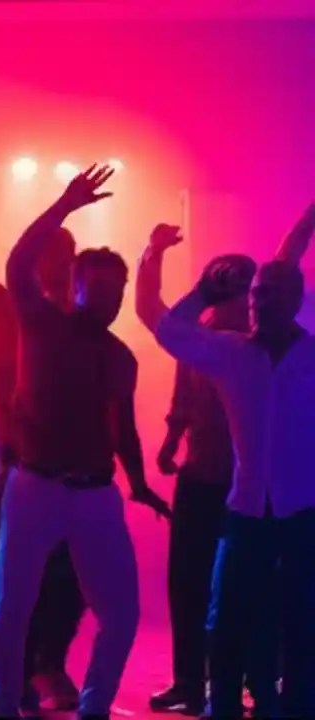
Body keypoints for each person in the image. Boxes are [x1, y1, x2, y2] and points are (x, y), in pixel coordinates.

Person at [0, 165, 172, 720]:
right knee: (11, 610)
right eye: (103, 288)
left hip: (94, 493)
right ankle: (3, 705)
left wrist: (139, 484)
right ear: (77, 284)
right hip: (35, 484)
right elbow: (18, 262)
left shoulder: (121, 357)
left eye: (119, 290)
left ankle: (92, 709)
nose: (113, 299)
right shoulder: (41, 322)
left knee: (122, 614)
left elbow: (124, 428)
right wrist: (63, 206)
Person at [145, 201, 315, 719]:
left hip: (303, 512)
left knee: (301, 622)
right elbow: (166, 327)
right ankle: (224, 706)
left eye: (272, 294)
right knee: (228, 621)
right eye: (257, 293)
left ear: (296, 301)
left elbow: (288, 255)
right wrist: (204, 289)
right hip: (244, 511)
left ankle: (291, 706)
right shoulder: (232, 352)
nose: (261, 302)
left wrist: (306, 218)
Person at [0, 161, 86, 711]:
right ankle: (21, 671)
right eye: (51, 253)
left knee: (71, 575)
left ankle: (48, 664)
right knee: (10, 576)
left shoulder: (82, 319)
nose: (59, 264)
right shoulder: (2, 305)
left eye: (65, 255)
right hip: (12, 462)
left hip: (70, 466)